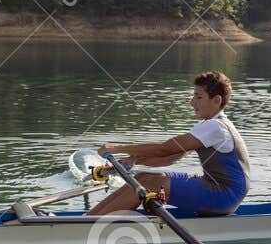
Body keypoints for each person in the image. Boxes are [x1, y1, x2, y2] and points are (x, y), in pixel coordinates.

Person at [90, 71, 250, 216]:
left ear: (216, 100)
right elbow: (172, 157)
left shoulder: (216, 127)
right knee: (142, 178)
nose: (192, 102)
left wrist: (116, 148)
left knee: (151, 185)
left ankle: (89, 226)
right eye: (193, 96)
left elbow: (164, 149)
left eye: (198, 97)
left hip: (224, 194)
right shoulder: (208, 126)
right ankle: (89, 218)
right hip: (217, 188)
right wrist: (134, 160)